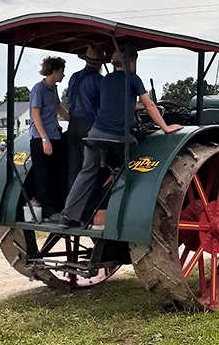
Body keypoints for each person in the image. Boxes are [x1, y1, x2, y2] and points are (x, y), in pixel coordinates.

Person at [59, 49, 182, 228]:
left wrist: (132, 107)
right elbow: (150, 106)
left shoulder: (105, 80)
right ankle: (133, 213)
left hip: (94, 135)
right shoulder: (133, 79)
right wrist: (165, 126)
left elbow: (111, 105)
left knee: (87, 171)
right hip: (118, 137)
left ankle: (67, 216)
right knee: (141, 160)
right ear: (131, 62)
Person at [29, 56, 69, 223]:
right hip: (41, 138)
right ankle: (47, 210)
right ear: (54, 71)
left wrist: (73, 120)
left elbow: (59, 108)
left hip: (54, 134)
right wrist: (44, 139)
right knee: (43, 174)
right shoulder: (38, 89)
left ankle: (59, 206)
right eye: (62, 72)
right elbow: (35, 114)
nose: (63, 75)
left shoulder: (53, 89)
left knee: (57, 171)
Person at [66, 45, 105, 190]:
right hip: (89, 124)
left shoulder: (74, 77)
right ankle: (90, 204)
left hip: (73, 124)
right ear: (100, 63)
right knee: (91, 167)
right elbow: (106, 103)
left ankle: (70, 204)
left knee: (74, 166)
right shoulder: (98, 80)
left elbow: (69, 98)